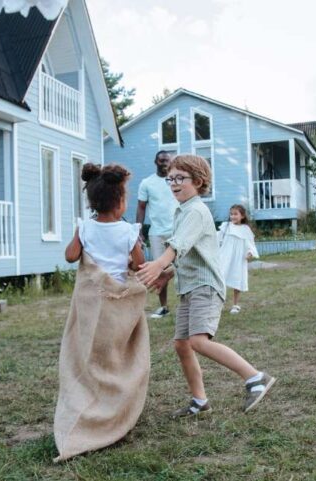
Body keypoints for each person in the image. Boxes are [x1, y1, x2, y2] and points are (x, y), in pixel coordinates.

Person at [137, 154, 275, 417]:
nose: (174, 183)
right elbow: (186, 252)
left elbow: (177, 245)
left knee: (198, 341)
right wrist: (167, 273)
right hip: (189, 288)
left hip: (205, 287)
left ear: (198, 181)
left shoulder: (197, 211)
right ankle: (200, 402)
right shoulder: (182, 210)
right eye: (171, 179)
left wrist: (158, 264)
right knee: (181, 344)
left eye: (181, 178)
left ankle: (255, 377)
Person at [55, 163, 149, 461]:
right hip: (117, 306)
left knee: (89, 355)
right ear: (120, 202)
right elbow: (137, 264)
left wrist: (81, 234)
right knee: (115, 358)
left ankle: (87, 404)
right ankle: (112, 409)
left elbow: (70, 257)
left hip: (90, 304)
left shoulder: (85, 227)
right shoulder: (127, 231)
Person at [136, 150, 178, 318]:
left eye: (166, 160)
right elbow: (141, 207)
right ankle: (164, 307)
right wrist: (138, 230)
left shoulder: (177, 180)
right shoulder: (147, 183)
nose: (163, 163)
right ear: (155, 162)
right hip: (157, 233)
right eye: (160, 160)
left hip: (176, 231)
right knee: (159, 269)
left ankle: (187, 305)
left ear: (171, 162)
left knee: (182, 266)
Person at [218, 204, 259, 314]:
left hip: (238, 258)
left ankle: (235, 305)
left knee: (237, 278)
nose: (233, 216)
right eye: (231, 214)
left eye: (236, 214)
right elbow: (218, 240)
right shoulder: (226, 226)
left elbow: (250, 244)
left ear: (242, 216)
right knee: (221, 278)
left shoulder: (245, 229)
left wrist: (250, 253)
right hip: (225, 256)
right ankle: (220, 303)